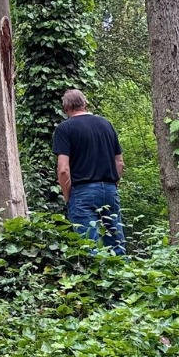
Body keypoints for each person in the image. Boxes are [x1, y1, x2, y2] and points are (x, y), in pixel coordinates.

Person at [53, 89, 126, 254]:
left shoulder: (64, 129)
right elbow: (119, 162)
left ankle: (95, 278)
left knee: (89, 247)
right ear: (85, 104)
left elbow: (63, 169)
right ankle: (122, 276)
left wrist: (68, 197)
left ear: (66, 109)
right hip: (109, 189)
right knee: (117, 244)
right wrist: (113, 185)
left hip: (82, 192)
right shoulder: (106, 125)